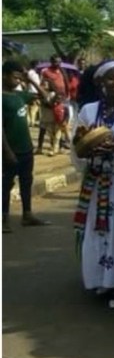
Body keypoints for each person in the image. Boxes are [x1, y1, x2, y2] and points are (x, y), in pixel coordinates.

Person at [71, 60, 114, 308]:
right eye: (112, 78)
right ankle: (101, 278)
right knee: (97, 230)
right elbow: (76, 145)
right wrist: (88, 147)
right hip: (97, 179)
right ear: (100, 82)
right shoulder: (89, 110)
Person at [2, 59, 48, 231]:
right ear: (4, 76)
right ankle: (3, 218)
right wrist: (6, 152)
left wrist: (31, 80)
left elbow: (46, 98)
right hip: (10, 151)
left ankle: (27, 214)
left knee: (26, 181)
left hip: (26, 148)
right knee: (6, 184)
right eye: (15, 77)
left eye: (20, 78)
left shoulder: (19, 95)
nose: (18, 81)